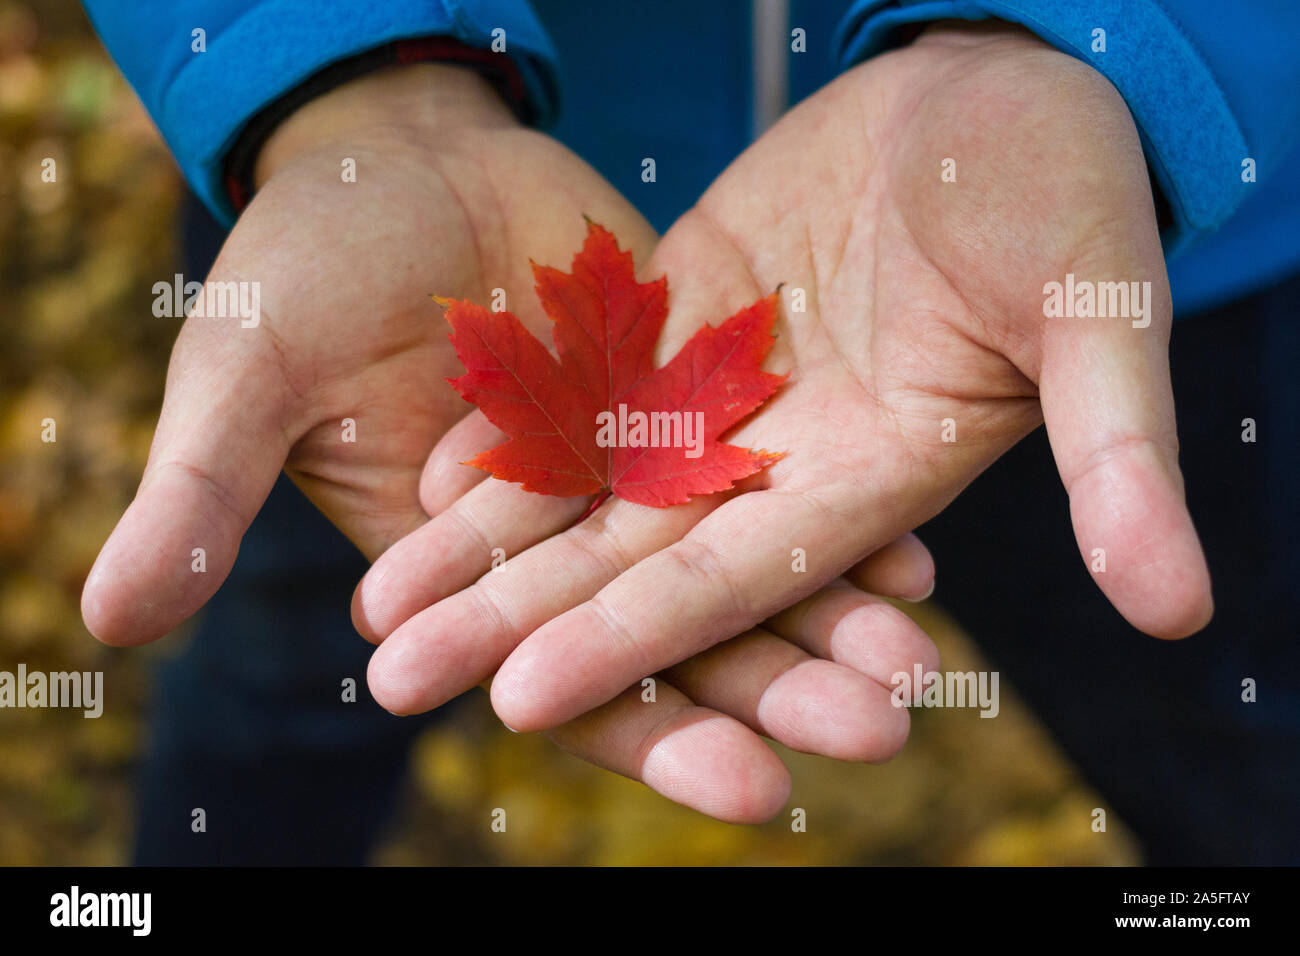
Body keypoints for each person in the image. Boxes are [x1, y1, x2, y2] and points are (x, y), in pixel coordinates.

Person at [80, 0, 1300, 863]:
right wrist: (330, 67)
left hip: (1118, 222)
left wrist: (1118, 35)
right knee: (305, 663)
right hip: (394, 257)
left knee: (1225, 721)